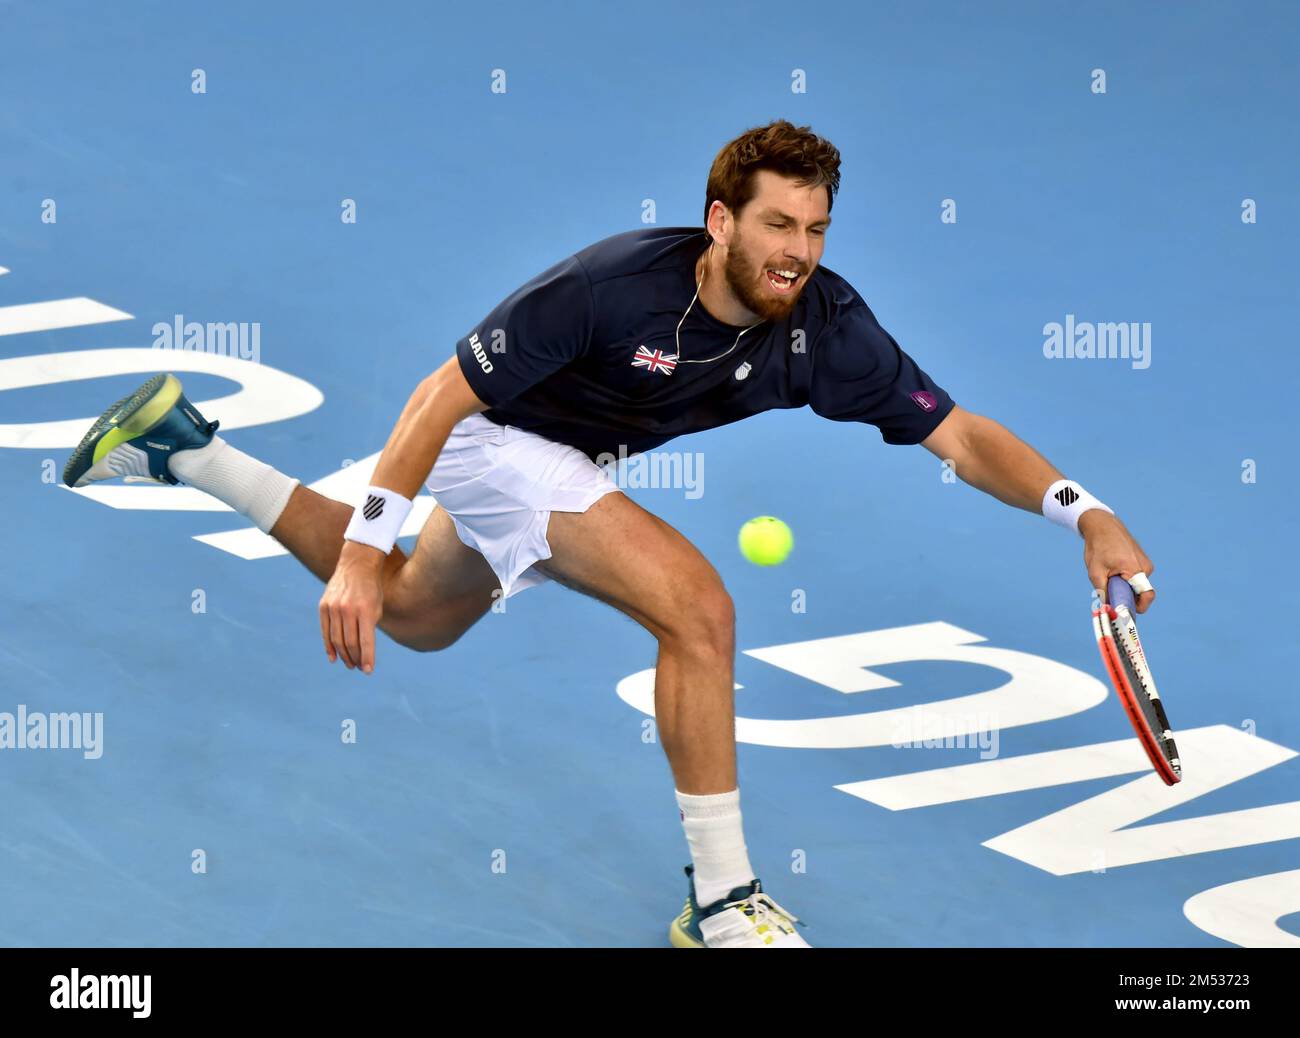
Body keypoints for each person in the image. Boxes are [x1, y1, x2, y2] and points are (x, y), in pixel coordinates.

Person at [64, 119, 1155, 948]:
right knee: (698, 607)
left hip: (567, 462)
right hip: (487, 435)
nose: (797, 253)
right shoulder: (610, 285)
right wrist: (355, 549)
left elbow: (956, 433)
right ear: (720, 221)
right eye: (777, 225)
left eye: (815, 230)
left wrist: (1083, 510)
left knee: (412, 618)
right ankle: (722, 902)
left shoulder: (825, 329)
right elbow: (437, 398)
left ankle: (187, 448)